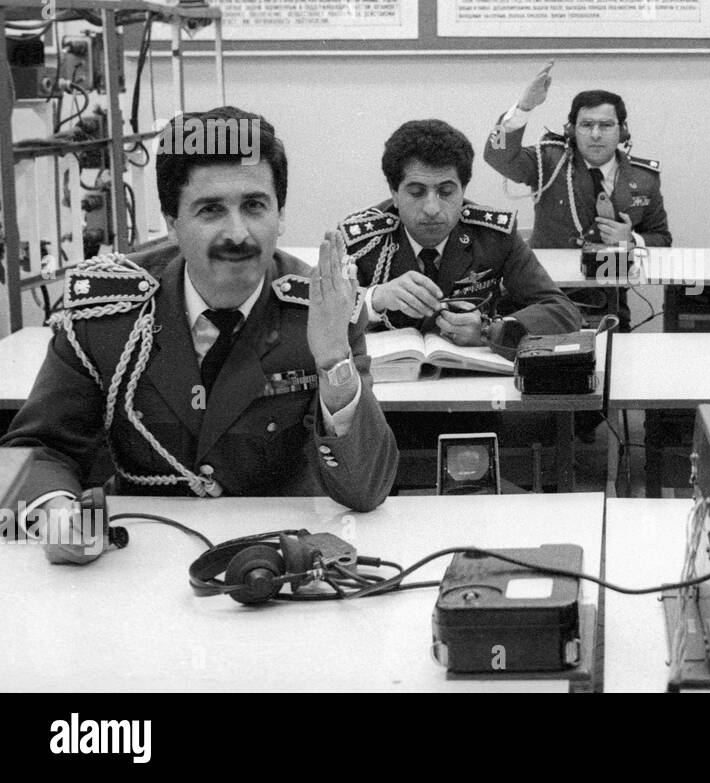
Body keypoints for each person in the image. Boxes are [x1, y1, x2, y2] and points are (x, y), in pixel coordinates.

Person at [2, 107, 400, 563]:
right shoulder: (110, 315)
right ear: (171, 222)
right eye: (211, 210)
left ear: (281, 214)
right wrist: (61, 521)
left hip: (278, 564)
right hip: (137, 565)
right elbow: (33, 450)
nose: (238, 234)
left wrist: (332, 360)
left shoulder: (322, 311)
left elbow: (365, 492)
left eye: (254, 206)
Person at [341, 118, 581, 349]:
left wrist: (491, 330)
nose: (432, 209)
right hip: (387, 381)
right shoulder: (362, 240)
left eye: (446, 191)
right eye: (416, 192)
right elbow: (312, 314)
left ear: (463, 189)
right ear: (394, 192)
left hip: (473, 375)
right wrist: (374, 299)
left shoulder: (494, 236)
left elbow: (562, 310)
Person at [484, 62, 670, 332]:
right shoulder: (549, 160)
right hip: (545, 295)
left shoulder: (644, 178)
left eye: (606, 125)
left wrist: (631, 240)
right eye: (586, 125)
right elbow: (497, 155)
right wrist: (523, 108)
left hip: (608, 298)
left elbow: (663, 240)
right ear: (571, 129)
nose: (596, 134)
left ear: (623, 130)